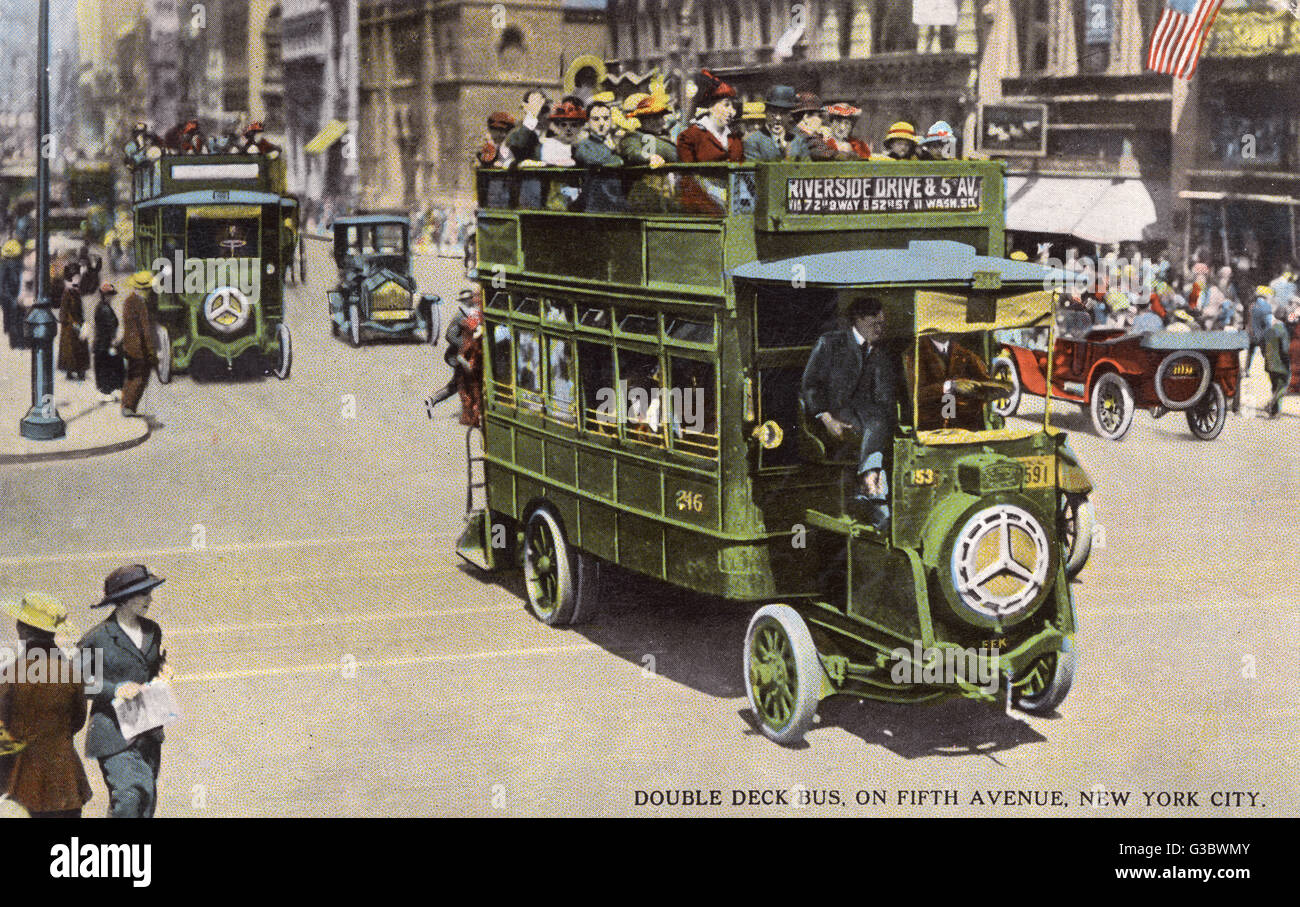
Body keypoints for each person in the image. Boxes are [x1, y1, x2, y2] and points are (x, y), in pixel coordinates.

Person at [78, 565, 173, 818]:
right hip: (113, 733)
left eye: (149, 593)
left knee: (147, 798)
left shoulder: (153, 631)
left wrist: (162, 674)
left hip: (147, 728)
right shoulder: (97, 638)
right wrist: (116, 689)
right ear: (122, 599)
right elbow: (76, 680)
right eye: (142, 594)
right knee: (130, 795)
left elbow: (150, 669)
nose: (149, 599)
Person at [800, 296, 898, 530]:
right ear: (858, 319)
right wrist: (827, 419)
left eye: (882, 325)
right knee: (877, 422)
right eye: (875, 324)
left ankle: (869, 483)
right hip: (834, 416)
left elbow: (885, 399)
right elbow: (810, 386)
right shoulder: (830, 343)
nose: (880, 329)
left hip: (871, 419)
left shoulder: (881, 354)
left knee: (879, 420)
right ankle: (872, 490)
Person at [0, 592, 93, 818]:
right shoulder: (71, 675)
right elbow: (78, 721)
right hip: (65, 779)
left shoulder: (11, 674)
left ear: (22, 629)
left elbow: (2, 727)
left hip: (23, 780)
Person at [904, 333, 1007, 432]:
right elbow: (915, 394)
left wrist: (997, 387)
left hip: (965, 426)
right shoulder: (915, 353)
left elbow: (983, 379)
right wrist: (951, 385)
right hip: (931, 427)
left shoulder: (962, 352)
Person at [429, 288, 482, 411]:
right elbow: (450, 335)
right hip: (462, 356)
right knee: (459, 384)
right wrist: (466, 345)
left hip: (473, 354)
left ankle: (433, 399)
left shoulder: (475, 312)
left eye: (471, 298)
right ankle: (433, 399)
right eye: (467, 299)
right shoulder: (461, 315)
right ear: (464, 301)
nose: (470, 300)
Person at [676, 70, 743, 163]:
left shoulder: (735, 138)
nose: (732, 112)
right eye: (726, 105)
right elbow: (688, 175)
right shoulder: (689, 137)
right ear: (711, 107)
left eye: (734, 107)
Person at [120, 270, 158, 418]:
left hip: (129, 346)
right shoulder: (140, 304)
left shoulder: (128, 301)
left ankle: (126, 404)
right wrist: (151, 351)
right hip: (139, 348)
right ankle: (129, 406)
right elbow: (145, 330)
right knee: (139, 378)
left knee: (131, 376)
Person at [618, 94, 678, 166]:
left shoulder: (665, 135)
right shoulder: (633, 136)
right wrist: (649, 158)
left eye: (661, 117)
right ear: (644, 119)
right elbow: (631, 153)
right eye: (656, 118)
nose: (662, 122)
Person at [743, 85, 795, 162]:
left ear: (789, 116)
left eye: (783, 113)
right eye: (773, 112)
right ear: (766, 113)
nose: (778, 118)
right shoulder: (753, 141)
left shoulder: (797, 140)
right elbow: (754, 171)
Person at [57, 261, 90, 381]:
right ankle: (71, 370)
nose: (79, 279)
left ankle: (78, 370)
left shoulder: (75, 291)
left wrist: (83, 323)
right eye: (77, 277)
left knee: (80, 345)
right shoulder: (68, 292)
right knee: (72, 348)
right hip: (70, 325)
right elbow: (64, 312)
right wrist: (74, 324)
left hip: (77, 323)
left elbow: (79, 310)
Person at [93, 281, 124, 400]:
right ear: (105, 296)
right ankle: (105, 392)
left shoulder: (103, 307)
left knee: (108, 367)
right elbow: (109, 325)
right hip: (104, 344)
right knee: (105, 367)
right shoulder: (104, 308)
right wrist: (113, 340)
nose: (112, 297)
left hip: (103, 343)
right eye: (110, 295)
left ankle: (108, 390)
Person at [784, 93, 839, 161]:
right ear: (806, 117)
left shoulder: (791, 134)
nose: (821, 121)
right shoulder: (806, 138)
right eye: (819, 116)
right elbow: (828, 154)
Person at [502, 90, 550, 166]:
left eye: (543, 105)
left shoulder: (552, 129)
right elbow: (516, 148)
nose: (540, 108)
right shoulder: (517, 131)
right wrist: (532, 117)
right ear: (525, 106)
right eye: (535, 103)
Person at [1263, 304, 1291, 418]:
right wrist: (1288, 363)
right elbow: (1285, 350)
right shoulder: (1282, 330)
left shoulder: (1269, 329)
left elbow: (1263, 345)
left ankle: (1275, 411)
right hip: (1280, 364)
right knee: (1284, 385)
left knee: (1275, 386)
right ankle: (1271, 403)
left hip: (1269, 364)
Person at [1246, 285, 1274, 373]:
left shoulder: (1252, 306)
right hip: (1262, 334)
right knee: (1266, 352)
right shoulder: (1267, 306)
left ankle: (1247, 369)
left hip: (1251, 333)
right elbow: (1268, 323)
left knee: (1250, 353)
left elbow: (1248, 320)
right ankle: (1270, 368)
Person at [0, 238, 22, 348]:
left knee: (10, 317)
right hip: (9, 295)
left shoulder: (4, 263)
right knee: (13, 317)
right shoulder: (9, 265)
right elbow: (10, 281)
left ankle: (13, 339)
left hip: (7, 295)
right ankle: (15, 342)